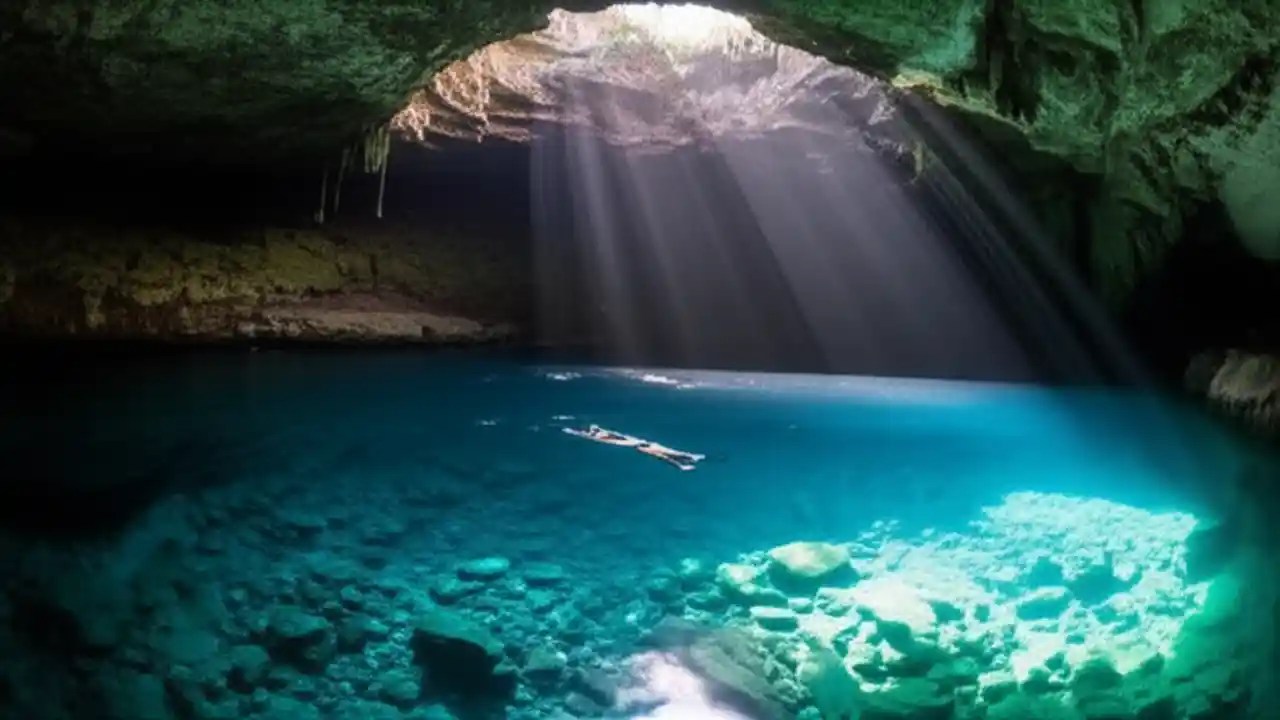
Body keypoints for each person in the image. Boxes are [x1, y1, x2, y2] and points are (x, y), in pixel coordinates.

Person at [563, 424, 705, 470]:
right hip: (639, 445)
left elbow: (614, 435)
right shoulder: (600, 436)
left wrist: (573, 431)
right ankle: (682, 464)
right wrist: (572, 431)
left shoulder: (603, 435)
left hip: (641, 443)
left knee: (667, 452)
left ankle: (688, 458)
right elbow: (590, 436)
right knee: (664, 455)